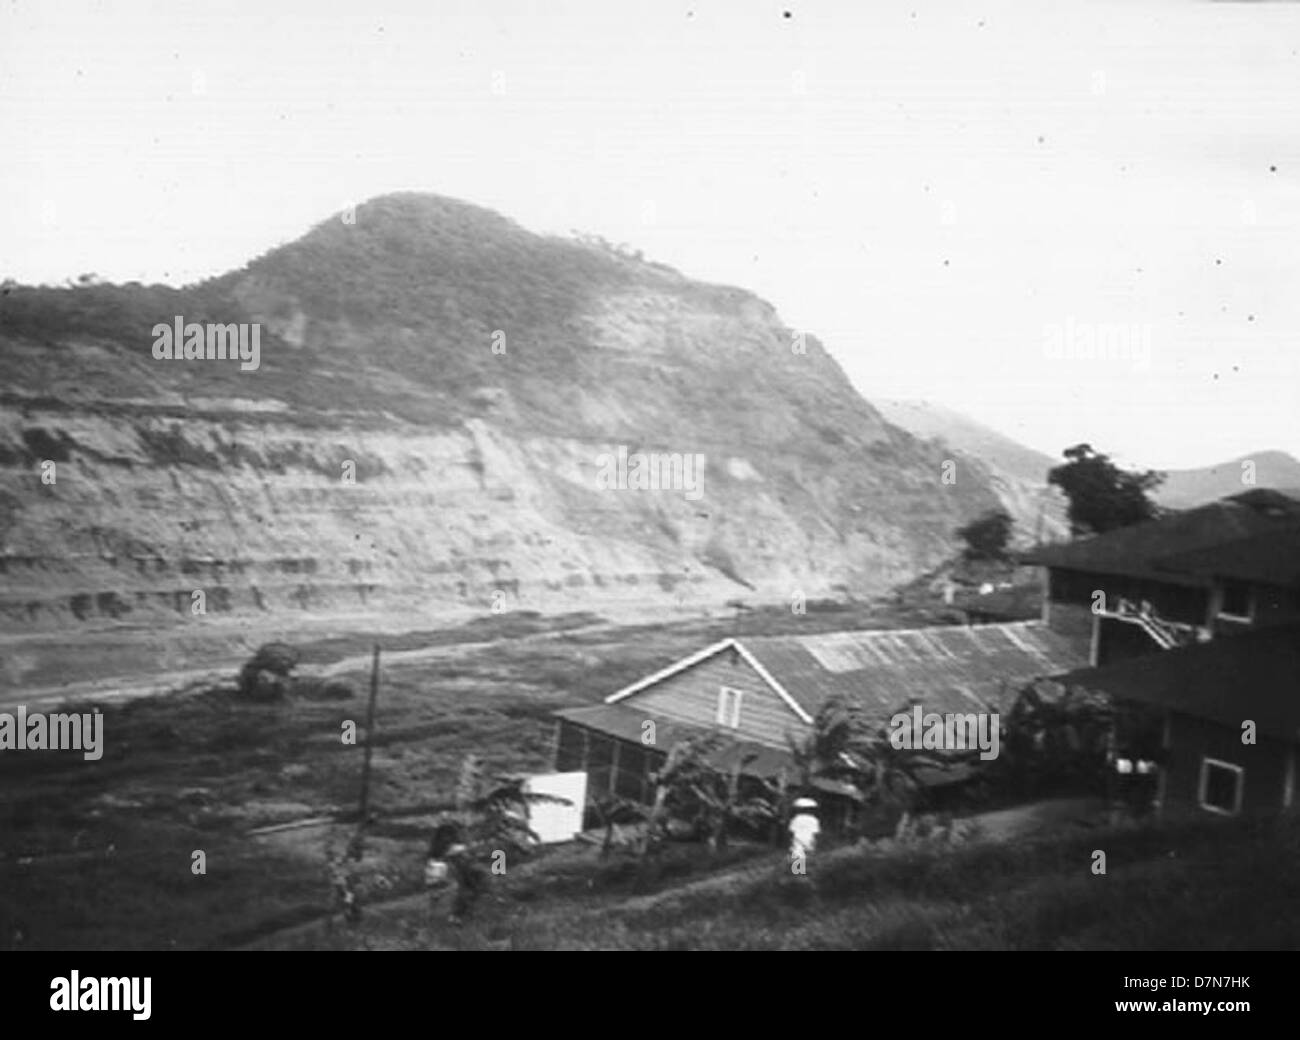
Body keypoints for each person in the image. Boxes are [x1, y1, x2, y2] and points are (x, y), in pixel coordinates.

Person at [788, 797, 820, 870]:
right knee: (808, 859)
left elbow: (792, 831)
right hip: (809, 839)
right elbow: (816, 833)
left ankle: (796, 873)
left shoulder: (796, 819)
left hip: (798, 840)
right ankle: (806, 873)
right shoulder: (814, 820)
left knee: (797, 860)